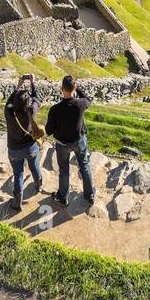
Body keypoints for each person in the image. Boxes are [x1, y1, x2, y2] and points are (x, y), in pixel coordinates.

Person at [45, 75, 94, 208]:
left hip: (62, 144)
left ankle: (63, 197)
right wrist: (79, 90)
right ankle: (90, 196)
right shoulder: (81, 104)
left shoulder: (55, 109)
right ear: (75, 88)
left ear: (61, 89)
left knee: (64, 170)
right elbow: (89, 99)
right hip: (79, 141)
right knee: (84, 166)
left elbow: (48, 131)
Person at [4, 74, 43, 212]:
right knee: (34, 167)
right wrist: (33, 83)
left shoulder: (9, 112)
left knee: (18, 175)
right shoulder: (31, 111)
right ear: (28, 103)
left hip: (14, 149)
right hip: (30, 146)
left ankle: (17, 202)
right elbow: (37, 99)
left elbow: (9, 101)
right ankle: (38, 186)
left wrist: (18, 86)